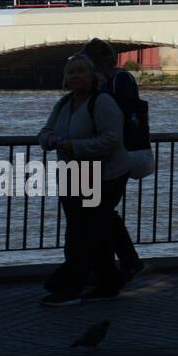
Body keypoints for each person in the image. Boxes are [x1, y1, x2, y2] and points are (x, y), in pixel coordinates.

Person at [38, 55, 130, 306]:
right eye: (71, 72)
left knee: (80, 234)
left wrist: (74, 146)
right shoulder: (64, 103)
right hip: (74, 175)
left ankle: (69, 288)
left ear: (92, 77)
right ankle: (108, 283)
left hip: (103, 176)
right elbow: (46, 131)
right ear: (66, 78)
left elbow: (112, 139)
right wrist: (49, 140)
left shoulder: (102, 103)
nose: (76, 76)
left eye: (81, 71)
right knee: (90, 232)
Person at [82, 38, 145, 285]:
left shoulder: (120, 81)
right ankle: (108, 265)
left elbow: (118, 118)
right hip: (97, 158)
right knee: (100, 212)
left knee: (101, 212)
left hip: (115, 157)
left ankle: (124, 262)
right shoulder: (103, 84)